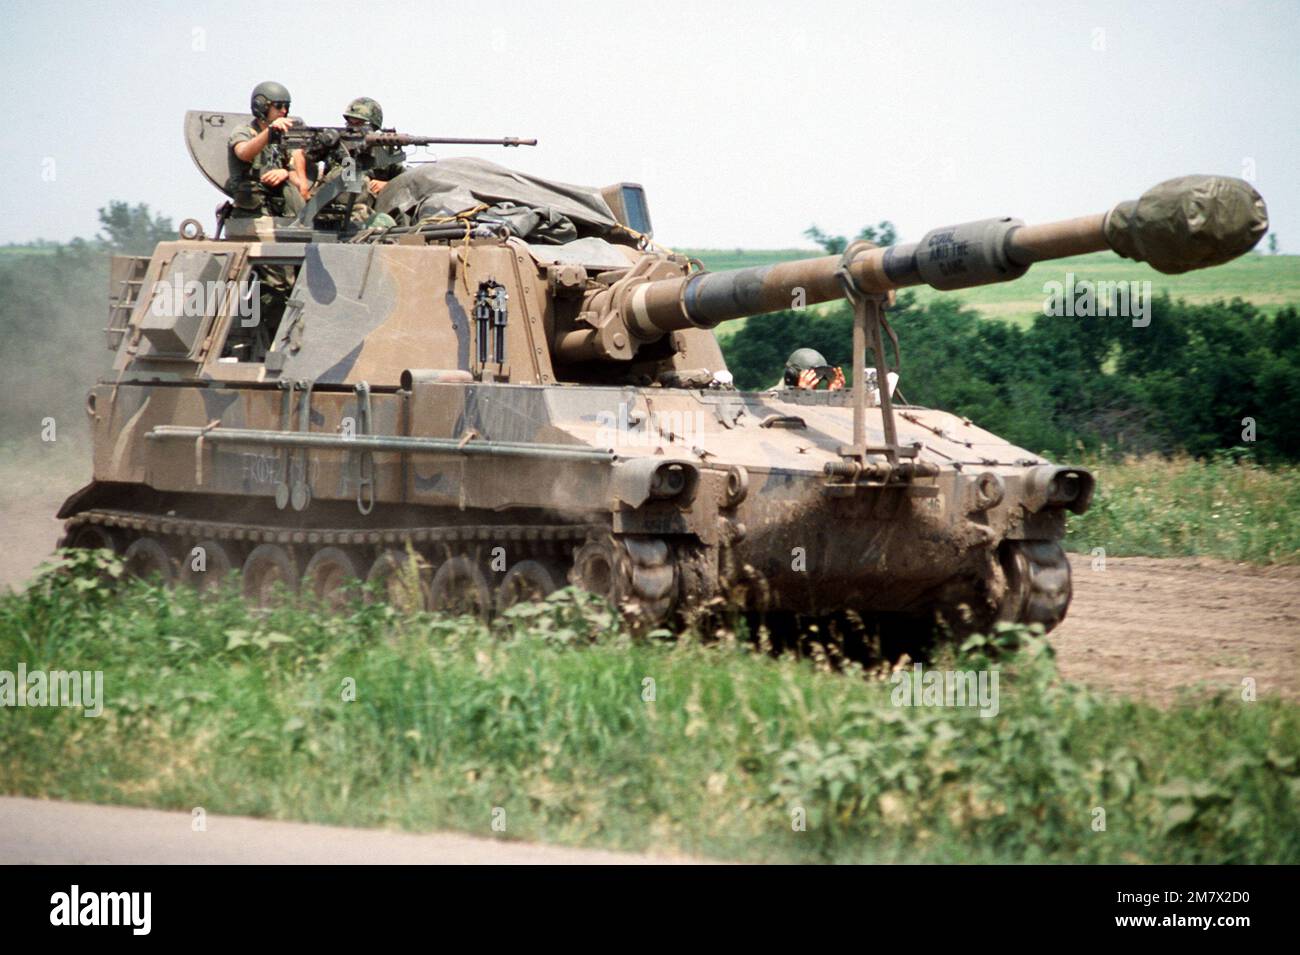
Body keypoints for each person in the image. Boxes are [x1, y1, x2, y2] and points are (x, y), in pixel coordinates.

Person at [309, 97, 402, 229]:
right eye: (350, 123)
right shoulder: (336, 143)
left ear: (373, 127)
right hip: (330, 206)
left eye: (359, 124)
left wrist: (386, 185)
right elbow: (308, 157)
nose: (353, 128)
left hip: (365, 212)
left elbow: (404, 180)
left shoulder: (383, 151)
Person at [226, 81, 311, 218]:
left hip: (281, 207)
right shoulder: (243, 131)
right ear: (261, 107)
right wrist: (269, 132)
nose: (283, 111)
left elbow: (297, 167)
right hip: (252, 210)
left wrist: (286, 173)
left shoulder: (285, 134)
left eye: (286, 106)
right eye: (278, 106)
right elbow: (243, 153)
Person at [773, 348, 845, 390]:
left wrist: (834, 395)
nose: (816, 383)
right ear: (792, 375)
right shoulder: (771, 399)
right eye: (811, 378)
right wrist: (803, 394)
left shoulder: (817, 400)